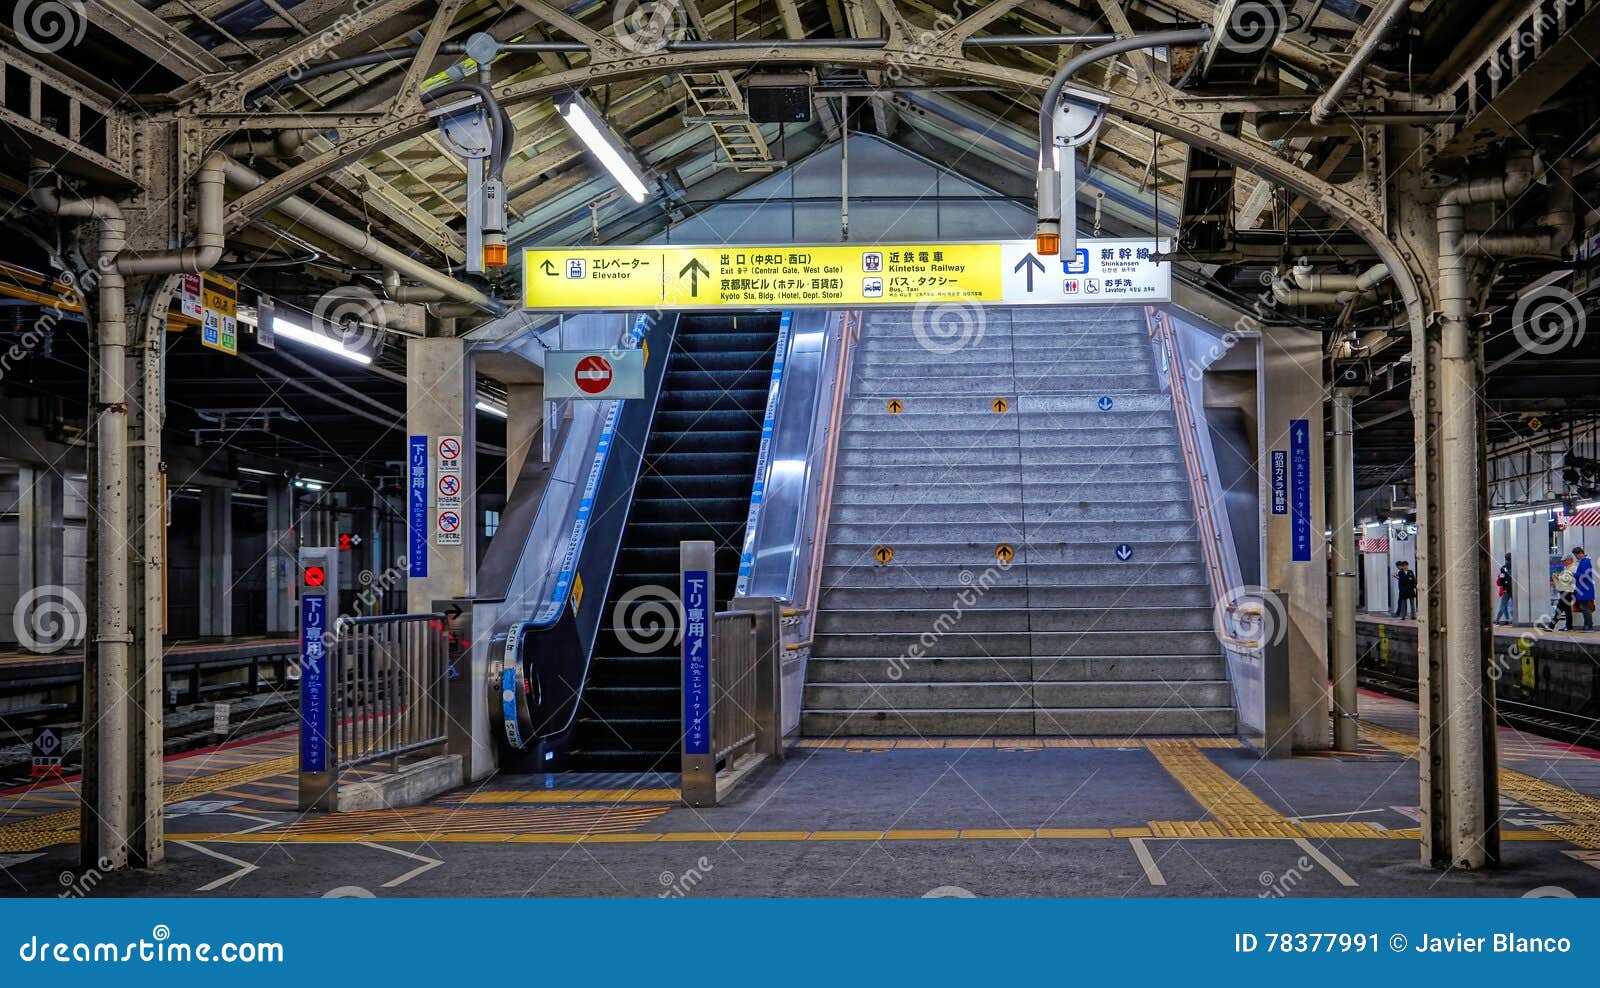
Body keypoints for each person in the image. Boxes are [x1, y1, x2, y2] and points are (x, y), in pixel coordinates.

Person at [1553, 556, 1577, 631]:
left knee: (1559, 609)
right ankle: (1569, 627)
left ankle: (1551, 625)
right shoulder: (1567, 568)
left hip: (1568, 591)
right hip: (1566, 591)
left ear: (1570, 560)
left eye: (1565, 561)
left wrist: (1558, 577)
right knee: (1567, 609)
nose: (1563, 562)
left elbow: (1568, 579)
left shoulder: (1572, 568)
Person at [1574, 547, 1595, 631]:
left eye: (1576, 555)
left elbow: (1585, 575)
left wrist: (1574, 574)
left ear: (1580, 553)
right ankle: (1587, 625)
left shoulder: (1585, 562)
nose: (1576, 557)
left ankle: (1589, 626)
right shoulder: (1584, 561)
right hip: (1583, 588)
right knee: (1584, 608)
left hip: (1585, 589)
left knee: (1585, 608)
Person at [1495, 553, 1515, 625]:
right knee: (1513, 606)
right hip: (1513, 589)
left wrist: (1503, 587)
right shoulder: (1515, 566)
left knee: (1503, 606)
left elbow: (1501, 579)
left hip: (1506, 589)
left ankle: (1497, 620)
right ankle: (1513, 620)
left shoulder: (1503, 568)